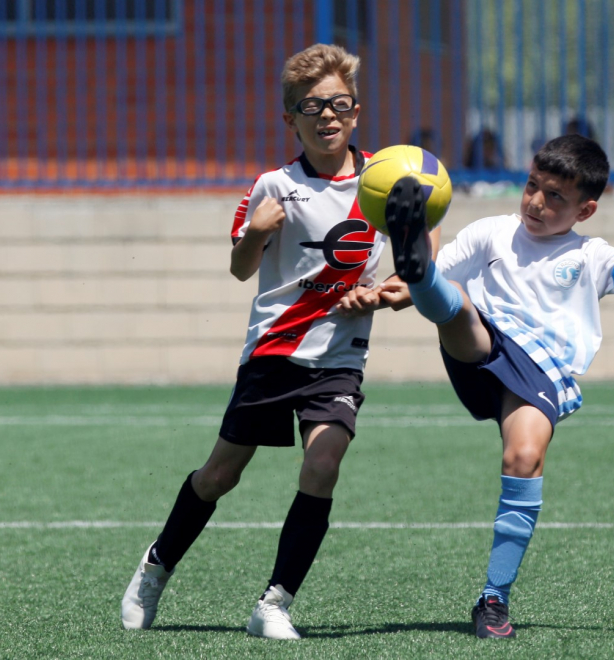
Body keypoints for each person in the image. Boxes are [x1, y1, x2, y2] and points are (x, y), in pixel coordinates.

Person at [378, 134, 614, 639]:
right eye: (533, 185)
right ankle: (419, 258)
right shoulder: (490, 233)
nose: (537, 202)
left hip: (539, 371)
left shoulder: (590, 256)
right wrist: (385, 291)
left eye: (555, 196)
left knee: (523, 459)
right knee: (457, 308)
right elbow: (403, 295)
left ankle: (494, 598)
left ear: (586, 209)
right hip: (482, 341)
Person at [121, 43, 401, 641]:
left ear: (356, 111)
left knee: (324, 461)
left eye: (338, 103)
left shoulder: (388, 183)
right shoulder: (272, 185)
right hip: (275, 350)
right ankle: (157, 563)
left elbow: (411, 277)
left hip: (340, 358)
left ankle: (274, 603)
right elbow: (240, 269)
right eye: (311, 106)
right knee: (220, 476)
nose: (327, 115)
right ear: (290, 118)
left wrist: (380, 295)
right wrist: (254, 231)